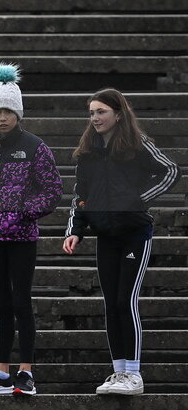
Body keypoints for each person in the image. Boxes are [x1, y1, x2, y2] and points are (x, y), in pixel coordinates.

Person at [63, 88, 181, 396]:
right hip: (106, 236)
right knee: (110, 304)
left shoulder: (137, 144)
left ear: (118, 114)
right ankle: (118, 372)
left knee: (125, 301)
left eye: (101, 111)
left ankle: (134, 373)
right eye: (92, 112)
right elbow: (81, 195)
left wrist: (137, 200)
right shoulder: (87, 152)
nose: (95, 118)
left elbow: (171, 171)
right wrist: (76, 229)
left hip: (134, 235)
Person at [0, 64, 62, 396]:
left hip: (21, 237)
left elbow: (52, 190)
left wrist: (24, 212)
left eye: (8, 112)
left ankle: (26, 372)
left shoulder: (34, 147)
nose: (3, 118)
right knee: (1, 304)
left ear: (18, 113)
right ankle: (1, 372)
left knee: (21, 302)